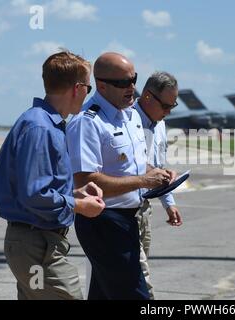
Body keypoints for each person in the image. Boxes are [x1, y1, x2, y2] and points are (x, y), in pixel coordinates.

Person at [0, 51, 106, 300]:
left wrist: (73, 194)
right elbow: (35, 193)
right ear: (77, 88)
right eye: (88, 87)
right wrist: (79, 205)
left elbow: (35, 188)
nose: (88, 94)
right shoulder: (41, 128)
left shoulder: (43, 123)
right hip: (36, 244)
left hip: (37, 243)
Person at [66, 52, 171, 300]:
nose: (132, 88)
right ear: (101, 85)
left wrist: (155, 172)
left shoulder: (131, 115)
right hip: (103, 222)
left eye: (133, 79)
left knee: (105, 295)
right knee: (136, 296)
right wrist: (144, 181)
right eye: (123, 83)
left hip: (128, 219)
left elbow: (132, 164)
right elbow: (86, 182)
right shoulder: (88, 121)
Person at [133, 71, 183, 299]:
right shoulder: (127, 120)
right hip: (124, 209)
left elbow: (158, 165)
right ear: (147, 97)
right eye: (166, 106)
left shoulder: (160, 123)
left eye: (173, 106)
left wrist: (168, 202)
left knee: (128, 280)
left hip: (145, 209)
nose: (168, 112)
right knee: (140, 282)